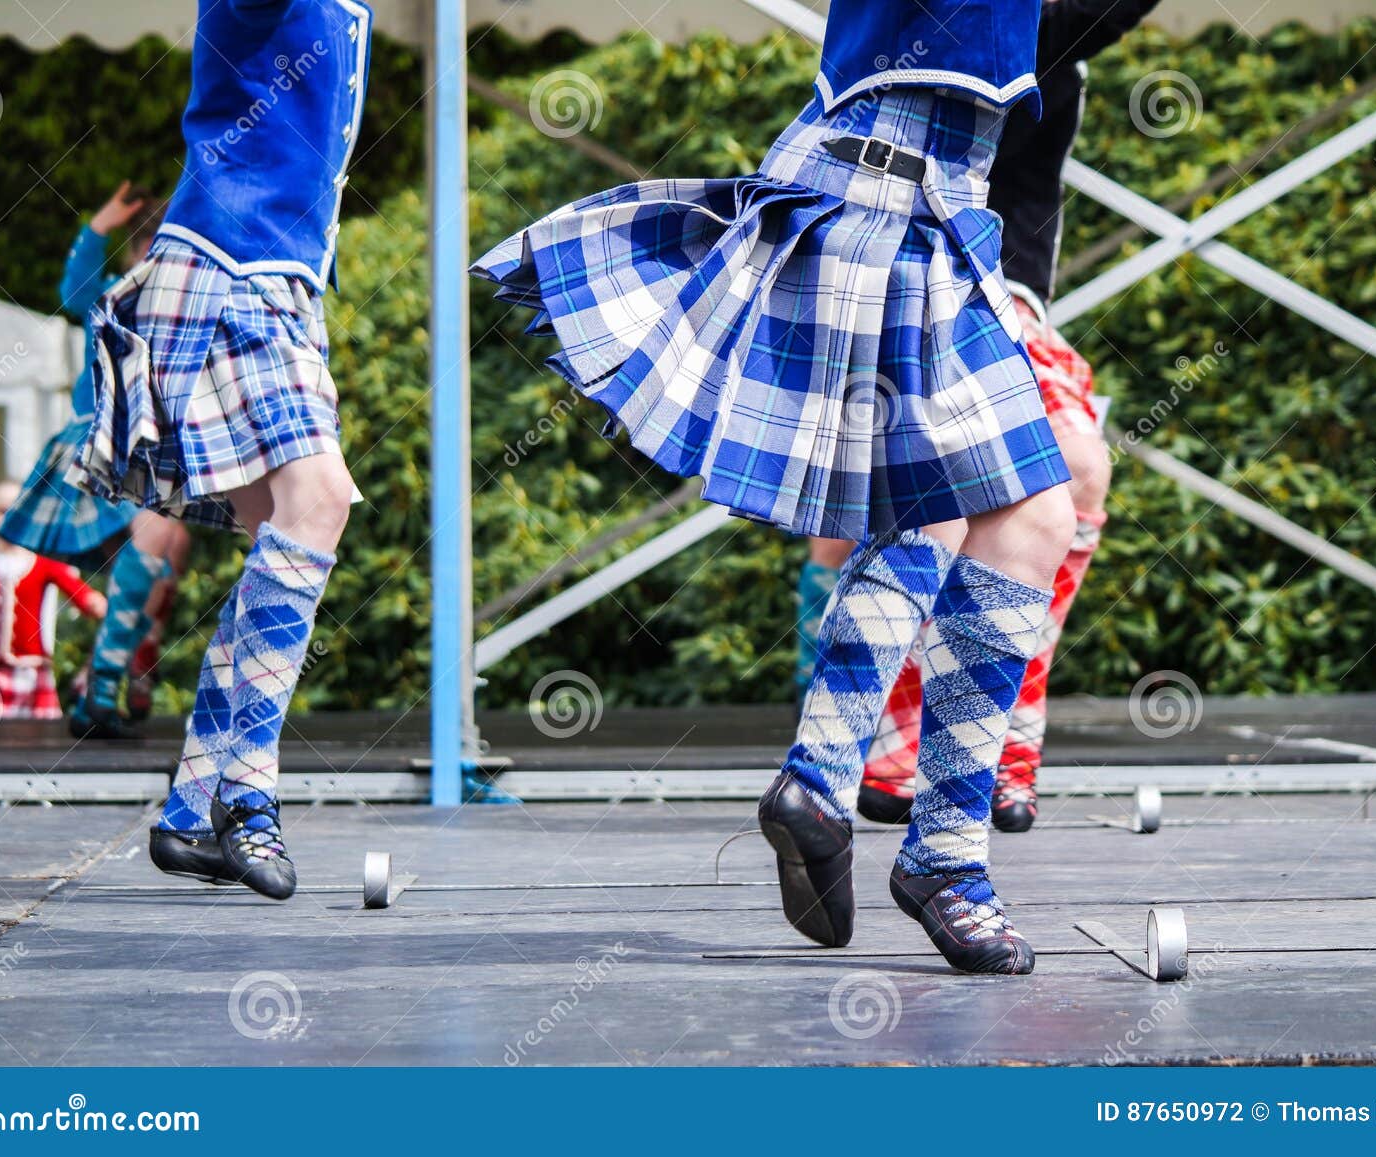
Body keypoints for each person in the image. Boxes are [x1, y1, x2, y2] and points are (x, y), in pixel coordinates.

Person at [477, 0, 1072, 973]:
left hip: (911, 200)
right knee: (995, 509)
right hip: (892, 197)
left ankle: (848, 793)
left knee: (1000, 514)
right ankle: (926, 843)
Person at [799, 0, 1161, 834]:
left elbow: (1092, 17)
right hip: (884, 267)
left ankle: (989, 746)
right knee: (873, 511)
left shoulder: (1046, 30)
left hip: (997, 291)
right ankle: (842, 750)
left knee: (1072, 468)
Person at [67, 0, 371, 901]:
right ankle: (248, 793)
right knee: (321, 502)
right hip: (232, 269)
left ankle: (191, 807)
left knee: (287, 537)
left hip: (280, 283)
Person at [0, 182, 192, 740]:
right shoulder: (109, 296)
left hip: (148, 451)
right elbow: (74, 289)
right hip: (100, 446)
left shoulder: (181, 309)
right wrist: (99, 225)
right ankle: (103, 685)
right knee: (159, 535)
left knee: (171, 547)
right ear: (139, 251)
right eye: (154, 250)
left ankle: (113, 675)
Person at [0, 482, 107, 722]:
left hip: (29, 667)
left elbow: (73, 587)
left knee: (33, 727)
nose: (9, 519)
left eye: (17, 511)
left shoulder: (43, 562)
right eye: (2, 511)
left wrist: (89, 601)